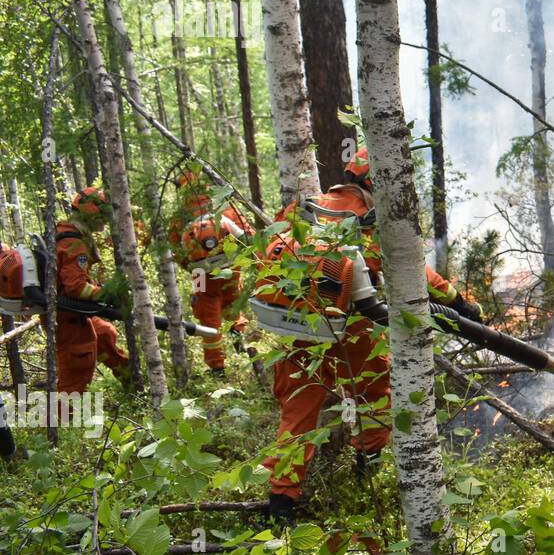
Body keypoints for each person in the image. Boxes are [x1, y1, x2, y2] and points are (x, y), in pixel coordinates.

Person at [259, 148, 481, 521]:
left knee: (297, 415)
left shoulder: (303, 209)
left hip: (300, 328)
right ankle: (368, 472)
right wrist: (459, 302)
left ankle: (280, 504)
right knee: (374, 398)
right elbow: (413, 271)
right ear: (379, 182)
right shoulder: (369, 221)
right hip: (354, 326)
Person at [172, 170, 252, 377]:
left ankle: (217, 368)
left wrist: (193, 267)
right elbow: (247, 235)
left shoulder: (178, 220)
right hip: (231, 269)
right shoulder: (224, 207)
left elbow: (178, 253)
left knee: (208, 316)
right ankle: (240, 342)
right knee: (233, 304)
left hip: (200, 276)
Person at [54, 186, 129, 394]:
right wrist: (106, 294)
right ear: (92, 212)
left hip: (74, 312)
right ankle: (63, 422)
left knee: (105, 334)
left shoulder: (68, 232)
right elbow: (75, 288)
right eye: (104, 216)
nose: (106, 221)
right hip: (67, 315)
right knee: (79, 363)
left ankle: (135, 387)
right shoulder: (73, 241)